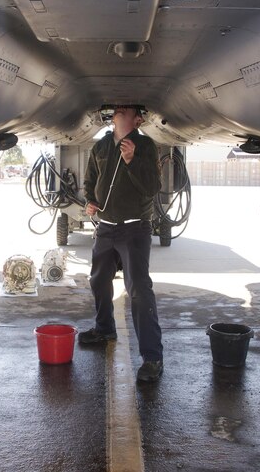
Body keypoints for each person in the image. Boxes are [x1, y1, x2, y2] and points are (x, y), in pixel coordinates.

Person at [80, 105, 164, 383]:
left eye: (124, 109)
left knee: (138, 289)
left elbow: (151, 187)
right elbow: (90, 180)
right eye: (117, 109)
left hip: (134, 229)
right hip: (105, 227)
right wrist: (89, 200)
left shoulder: (145, 146)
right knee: (98, 280)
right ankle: (105, 328)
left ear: (137, 119)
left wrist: (132, 160)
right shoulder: (102, 146)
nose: (117, 111)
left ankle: (152, 358)